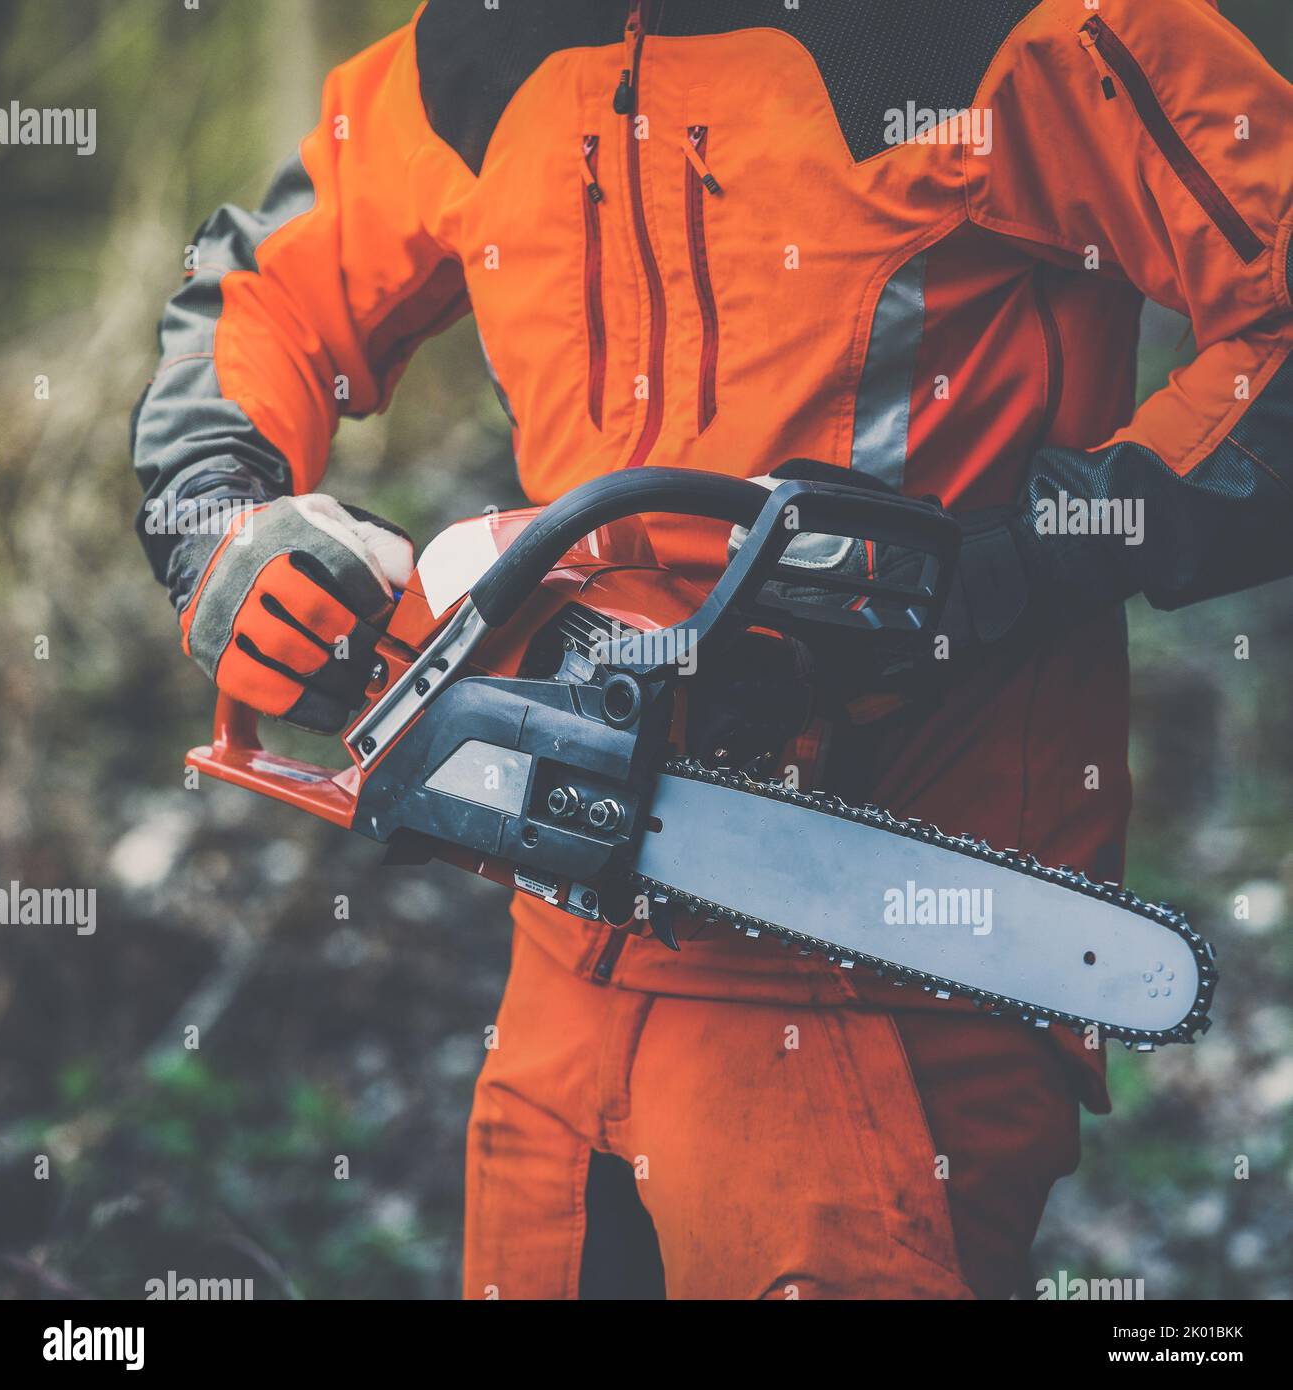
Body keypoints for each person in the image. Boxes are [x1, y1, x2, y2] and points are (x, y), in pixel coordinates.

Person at [132, 0, 1293, 1299]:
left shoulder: (1011, 32)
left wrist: (996, 564)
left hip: (894, 970)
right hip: (564, 954)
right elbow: (264, 295)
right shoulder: (477, 53)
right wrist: (219, 513)